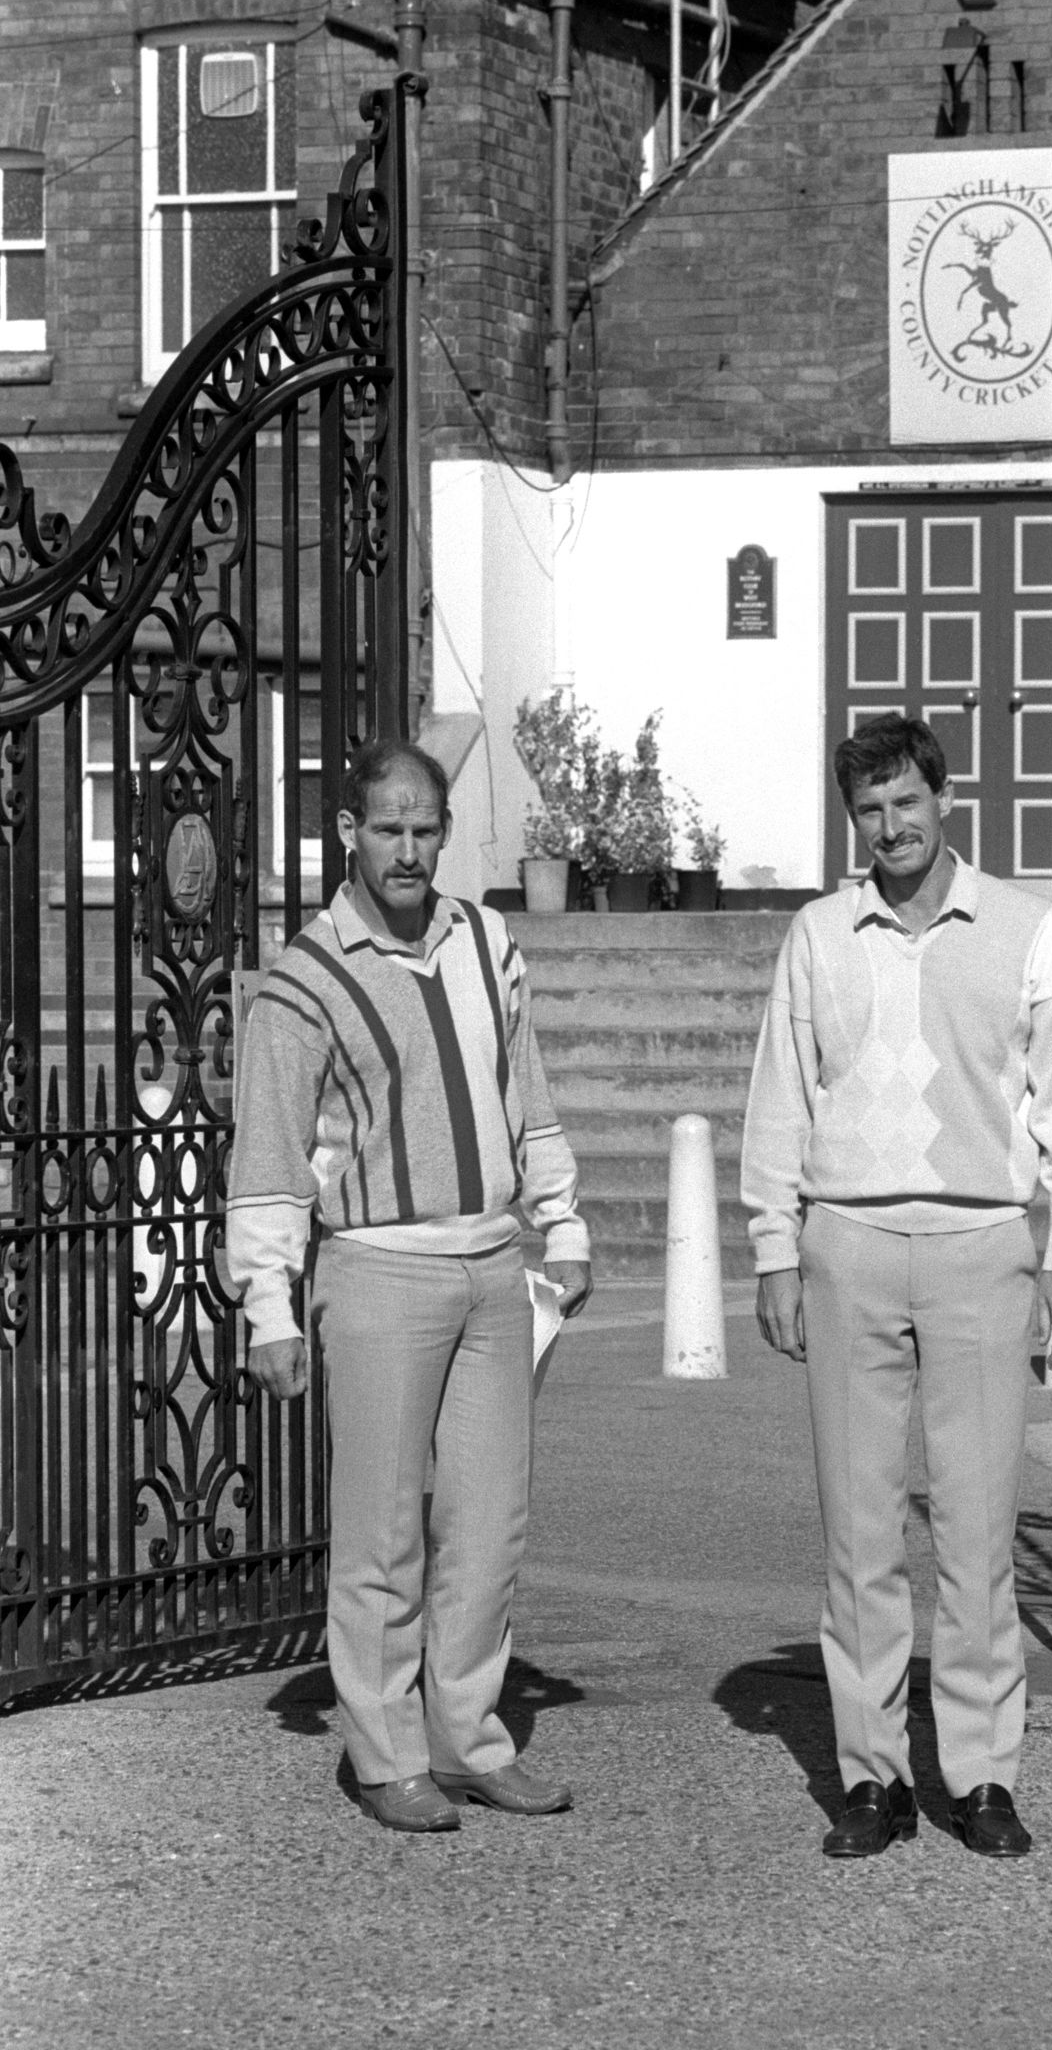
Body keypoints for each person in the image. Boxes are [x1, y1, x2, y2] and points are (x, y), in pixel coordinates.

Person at [741, 714, 1052, 1861]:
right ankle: (869, 1777)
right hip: (847, 1243)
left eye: (906, 800)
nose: (890, 826)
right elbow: (778, 1097)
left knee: (975, 1531)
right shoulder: (816, 934)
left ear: (941, 797)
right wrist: (770, 1245)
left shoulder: (1022, 926)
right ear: (851, 817)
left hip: (980, 1251)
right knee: (857, 1535)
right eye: (868, 809)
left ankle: (983, 1775)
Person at [226, 740, 591, 1832]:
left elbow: (525, 1092)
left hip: (492, 1268)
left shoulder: (487, 941)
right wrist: (269, 1304)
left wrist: (560, 1223)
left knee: (488, 1524)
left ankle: (469, 1737)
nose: (407, 848)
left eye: (425, 828)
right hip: (378, 1271)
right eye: (386, 827)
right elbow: (271, 1157)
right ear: (349, 831)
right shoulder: (305, 976)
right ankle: (385, 1752)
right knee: (382, 1528)